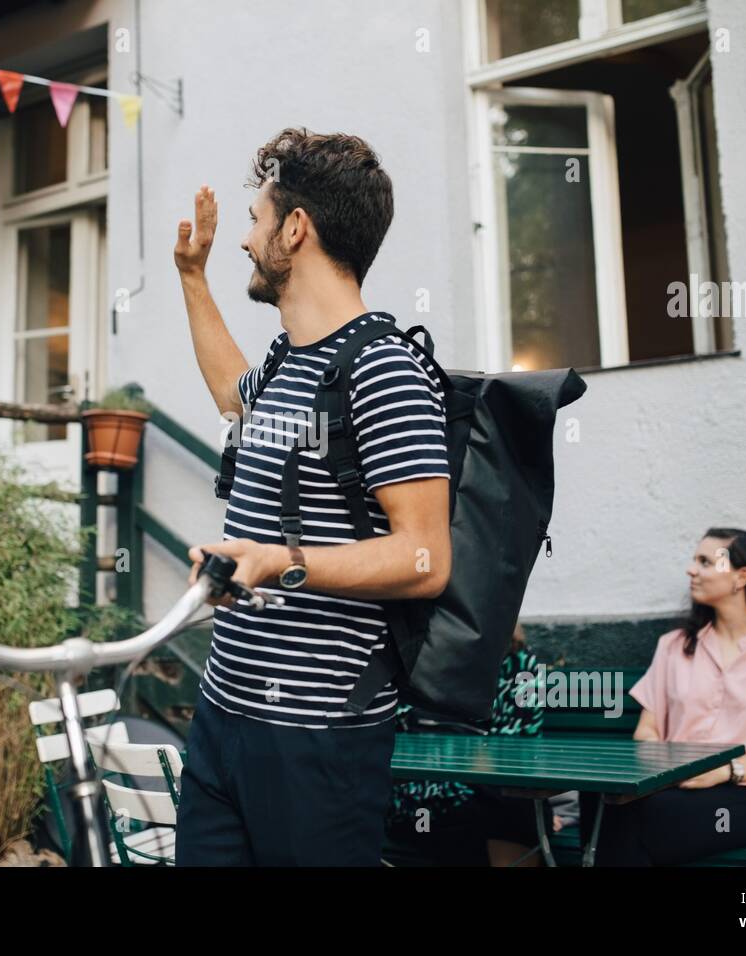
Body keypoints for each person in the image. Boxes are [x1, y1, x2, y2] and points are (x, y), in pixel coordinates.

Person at [173, 128, 452, 866]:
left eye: (257, 220)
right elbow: (235, 399)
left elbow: (425, 557)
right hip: (222, 711)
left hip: (316, 733)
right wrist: (192, 279)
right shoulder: (291, 362)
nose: (245, 240)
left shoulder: (384, 369)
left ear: (295, 230)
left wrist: (279, 562)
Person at [577, 527, 746, 866]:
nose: (691, 569)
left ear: (741, 577)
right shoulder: (673, 647)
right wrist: (669, 768)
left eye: (704, 561)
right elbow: (646, 731)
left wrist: (724, 771)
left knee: (639, 815)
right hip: (672, 787)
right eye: (694, 560)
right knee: (602, 801)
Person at [383, 623, 548, 866]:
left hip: (484, 803)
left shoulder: (519, 664)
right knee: (512, 812)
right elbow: (390, 742)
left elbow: (518, 750)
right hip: (418, 812)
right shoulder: (408, 657)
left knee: (514, 805)